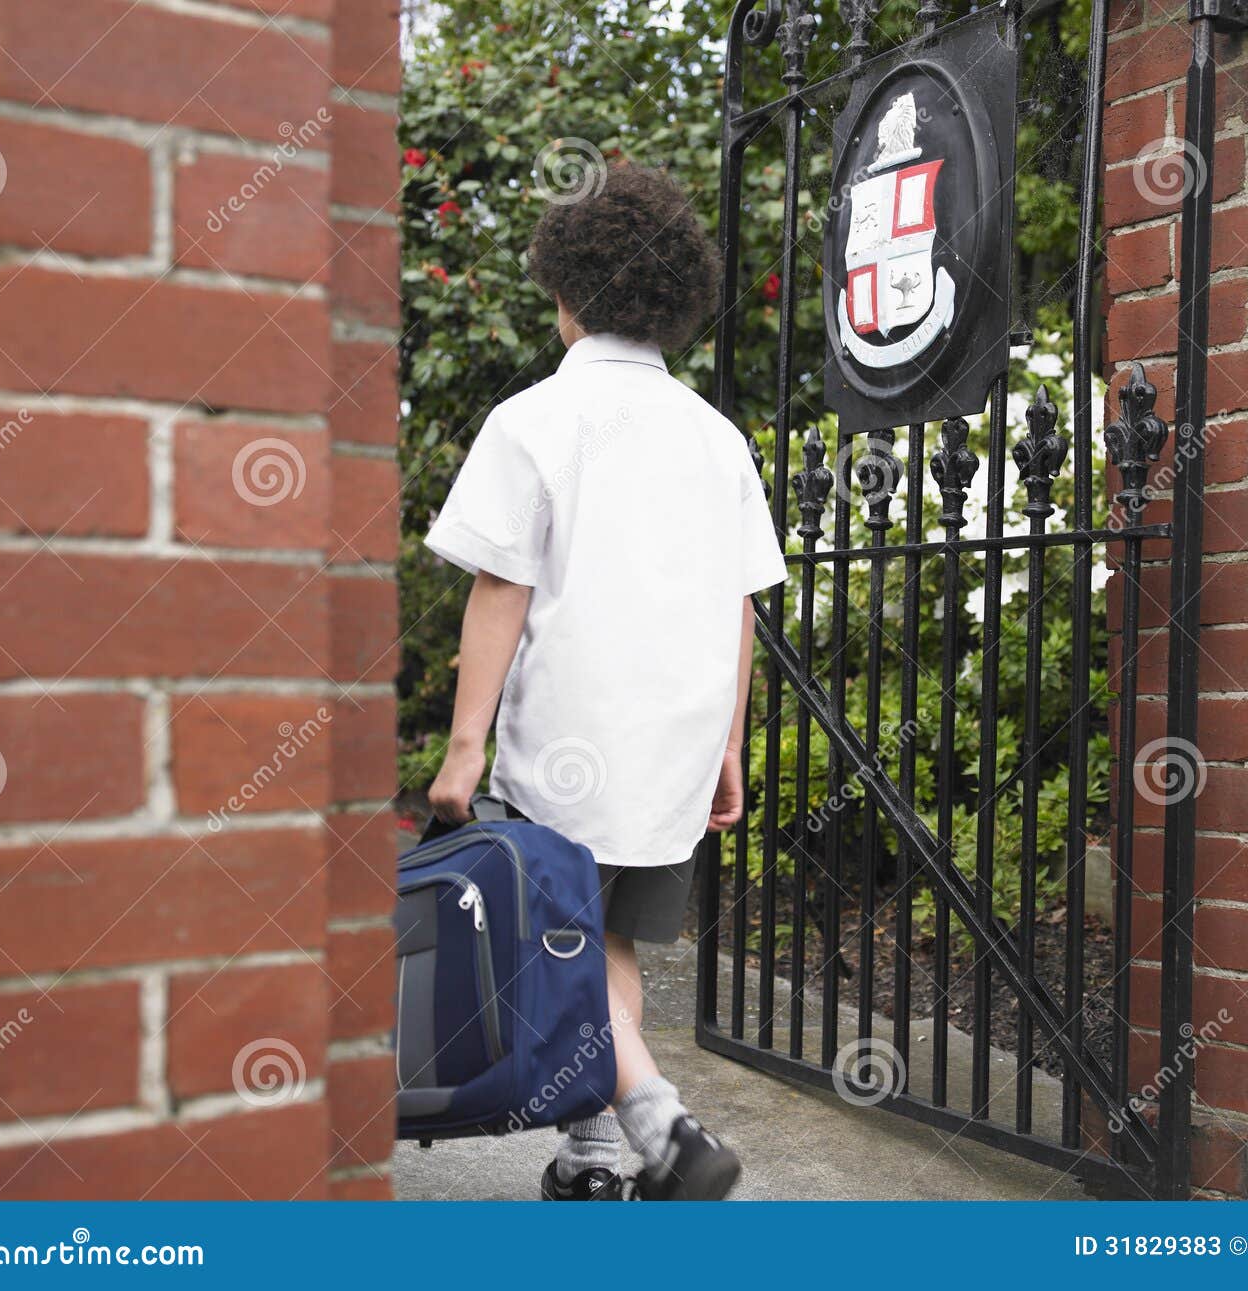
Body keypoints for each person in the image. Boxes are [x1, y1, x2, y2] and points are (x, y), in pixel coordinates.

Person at [423, 163, 787, 1201]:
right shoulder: (716, 439)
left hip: (569, 741)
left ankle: (664, 1128)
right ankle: (589, 1160)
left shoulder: (533, 419)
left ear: (565, 290)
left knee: (557, 951)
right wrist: (726, 744)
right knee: (604, 943)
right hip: (673, 743)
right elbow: (739, 604)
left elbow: (501, 586)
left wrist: (462, 753)